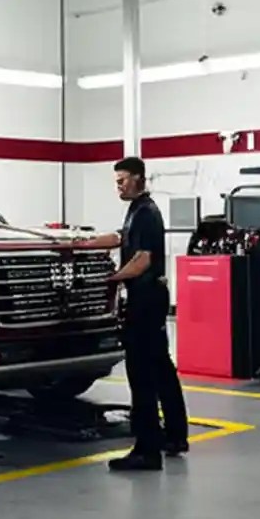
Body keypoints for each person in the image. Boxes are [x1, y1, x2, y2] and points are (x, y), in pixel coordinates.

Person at [84, 156, 190, 471]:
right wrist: (83, 241)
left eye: (122, 180)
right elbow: (120, 237)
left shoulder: (146, 213)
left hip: (145, 301)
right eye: (116, 181)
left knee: (141, 374)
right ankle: (175, 436)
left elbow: (142, 260)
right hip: (152, 298)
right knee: (162, 370)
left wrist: (111, 279)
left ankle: (147, 450)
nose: (118, 186)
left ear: (139, 178)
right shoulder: (139, 211)